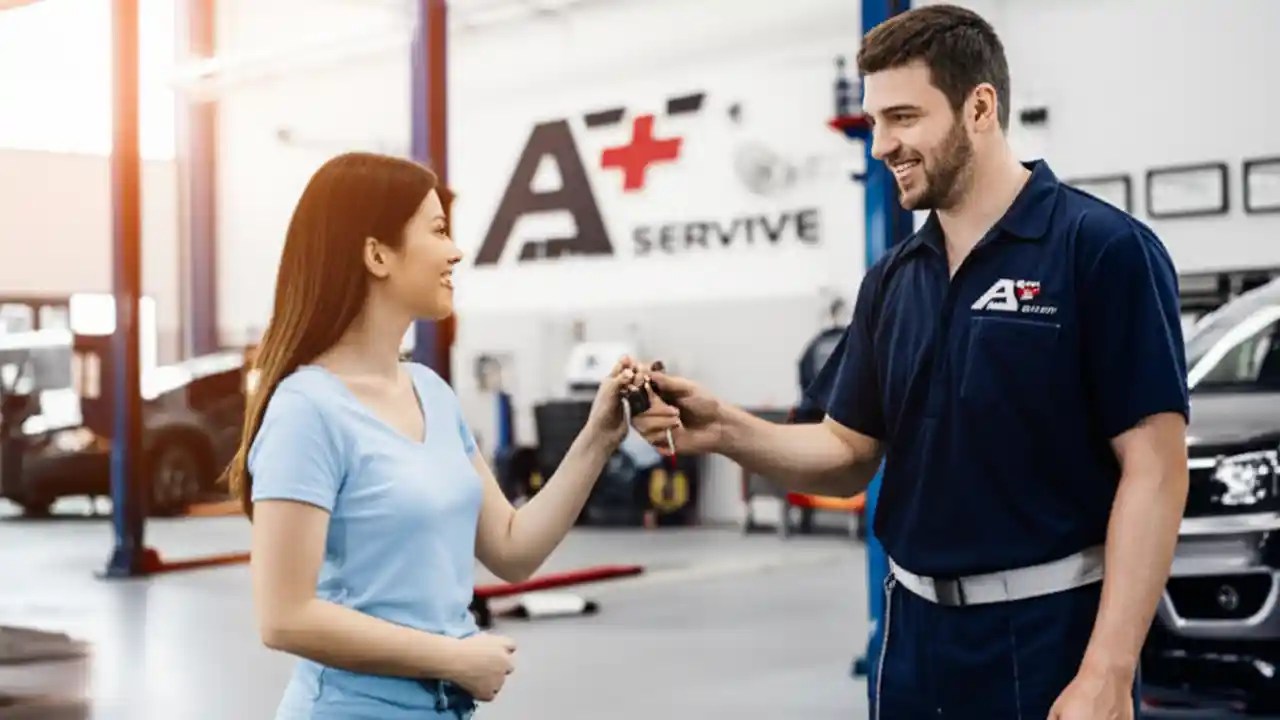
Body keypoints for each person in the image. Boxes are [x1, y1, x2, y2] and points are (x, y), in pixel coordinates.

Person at [628, 5, 1189, 719]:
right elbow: (848, 450)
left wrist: (1108, 672)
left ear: (979, 106)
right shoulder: (894, 278)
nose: (880, 145)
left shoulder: (1100, 250)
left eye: (902, 118)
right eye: (873, 123)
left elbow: (1157, 468)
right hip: (913, 637)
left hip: (1047, 632)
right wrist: (723, 428)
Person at [224, 152, 640, 719]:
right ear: (376, 254)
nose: (456, 251)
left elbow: (514, 549)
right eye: (439, 230)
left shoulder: (431, 393)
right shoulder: (307, 411)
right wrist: (452, 657)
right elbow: (284, 616)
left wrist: (599, 437)